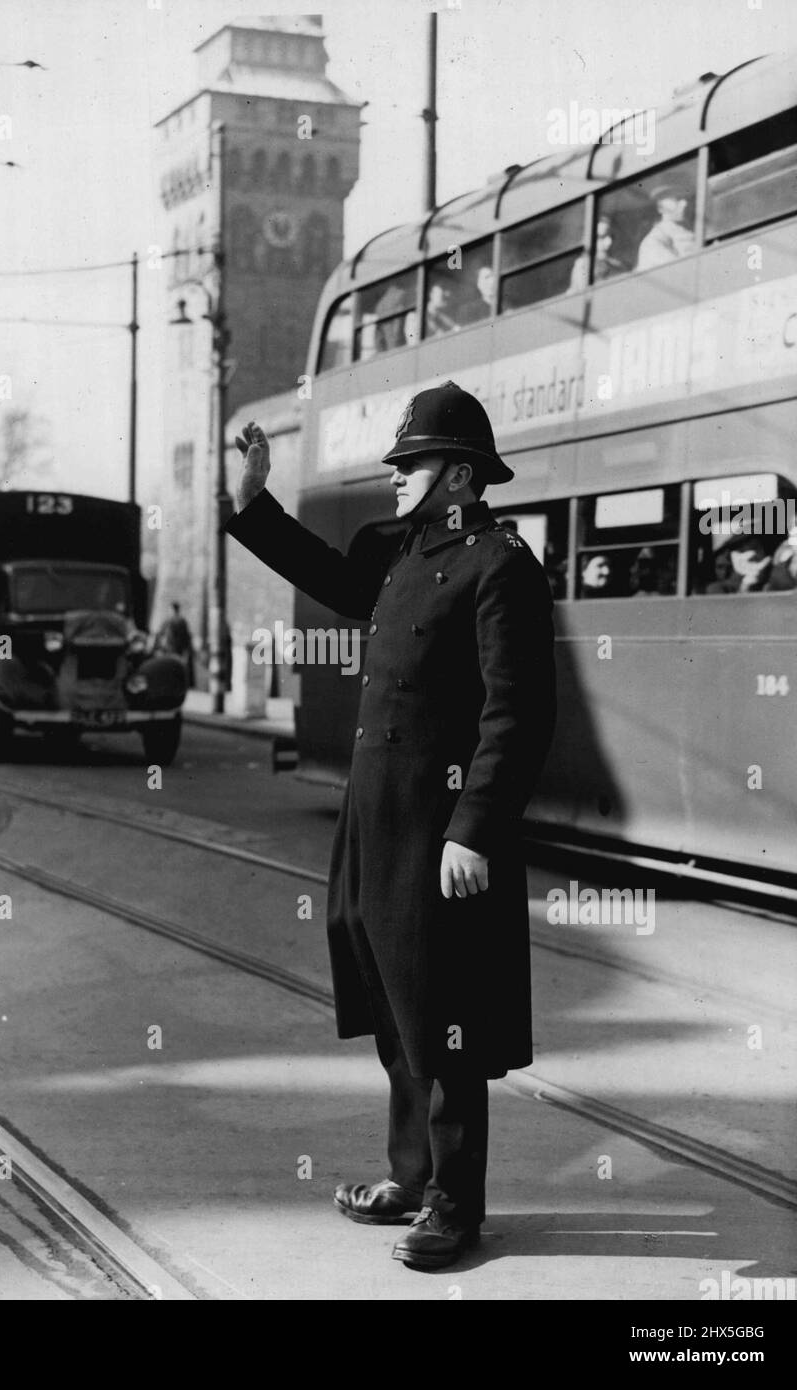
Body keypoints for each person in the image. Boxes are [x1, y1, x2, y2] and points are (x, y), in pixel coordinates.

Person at [226, 381, 556, 1269]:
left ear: (458, 475)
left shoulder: (500, 564)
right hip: (376, 823)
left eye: (409, 465)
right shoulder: (409, 555)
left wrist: (473, 829)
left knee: (444, 1012)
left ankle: (454, 1205)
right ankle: (410, 1176)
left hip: (439, 827)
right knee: (391, 1001)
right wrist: (253, 505)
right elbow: (334, 578)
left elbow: (516, 716)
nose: (395, 478)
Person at [635, 184, 696, 269]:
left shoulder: (689, 231)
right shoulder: (654, 241)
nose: (684, 203)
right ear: (660, 207)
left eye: (685, 198)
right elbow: (679, 271)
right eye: (676, 199)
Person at [568, 215, 626, 292]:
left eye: (611, 237)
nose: (609, 243)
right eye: (602, 237)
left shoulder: (620, 268)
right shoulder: (582, 266)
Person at [155, 602, 194, 683]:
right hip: (176, 648)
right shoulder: (181, 621)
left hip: (171, 648)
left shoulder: (169, 621)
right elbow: (187, 636)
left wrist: (158, 646)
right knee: (177, 666)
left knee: (171, 666)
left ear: (172, 610)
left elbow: (160, 634)